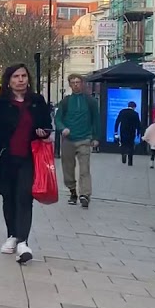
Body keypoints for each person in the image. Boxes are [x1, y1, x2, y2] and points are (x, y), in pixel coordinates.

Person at [0, 63, 53, 264]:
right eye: (16, 76)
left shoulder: (37, 101)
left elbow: (46, 126)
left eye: (23, 76)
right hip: (5, 158)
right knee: (9, 197)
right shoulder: (0, 103)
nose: (20, 80)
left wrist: (44, 132)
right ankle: (12, 235)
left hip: (29, 158)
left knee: (24, 197)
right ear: (9, 80)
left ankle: (23, 243)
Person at [55, 74, 99, 209]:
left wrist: (96, 137)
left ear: (82, 83)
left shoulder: (90, 101)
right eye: (73, 82)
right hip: (68, 140)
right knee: (68, 168)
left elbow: (96, 120)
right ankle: (72, 191)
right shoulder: (65, 102)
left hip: (84, 139)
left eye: (78, 82)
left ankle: (85, 195)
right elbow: (58, 119)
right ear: (69, 85)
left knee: (84, 169)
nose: (75, 85)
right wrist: (62, 129)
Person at [114, 101, 142, 166]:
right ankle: (130, 161)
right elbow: (138, 124)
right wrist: (138, 132)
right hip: (132, 131)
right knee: (131, 145)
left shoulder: (122, 112)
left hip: (123, 130)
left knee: (123, 144)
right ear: (134, 107)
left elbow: (117, 121)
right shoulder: (135, 114)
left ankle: (123, 154)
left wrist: (116, 131)